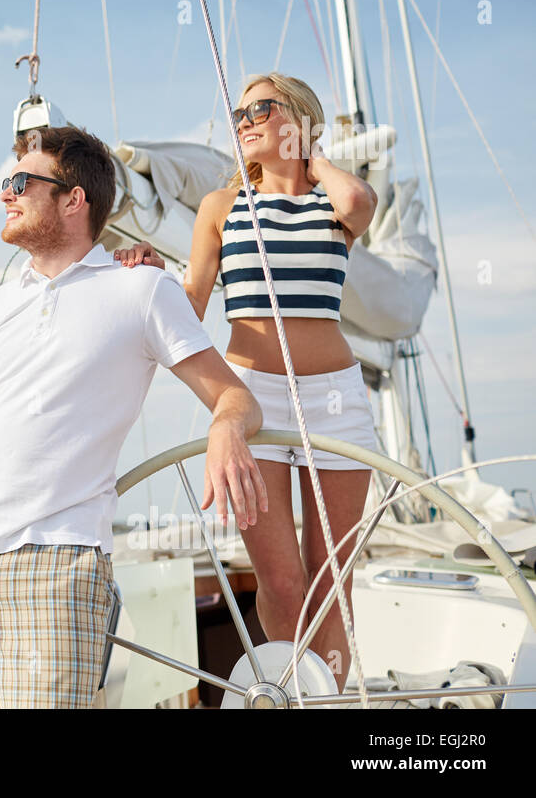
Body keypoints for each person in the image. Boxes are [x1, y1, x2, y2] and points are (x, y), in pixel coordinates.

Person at [0, 126, 266, 709]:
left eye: (21, 182)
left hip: (55, 567)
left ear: (74, 199)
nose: (6, 194)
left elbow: (237, 397)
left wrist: (224, 428)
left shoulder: (142, 290)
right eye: (6, 182)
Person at [115, 73, 378, 692]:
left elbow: (358, 206)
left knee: (330, 578)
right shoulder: (221, 207)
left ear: (299, 118)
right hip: (253, 400)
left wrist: (311, 155)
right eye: (238, 115)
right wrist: (152, 276)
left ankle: (327, 700)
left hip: (336, 400)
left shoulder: (332, 203)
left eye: (261, 109)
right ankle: (285, 693)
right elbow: (189, 303)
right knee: (283, 582)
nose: (244, 121)